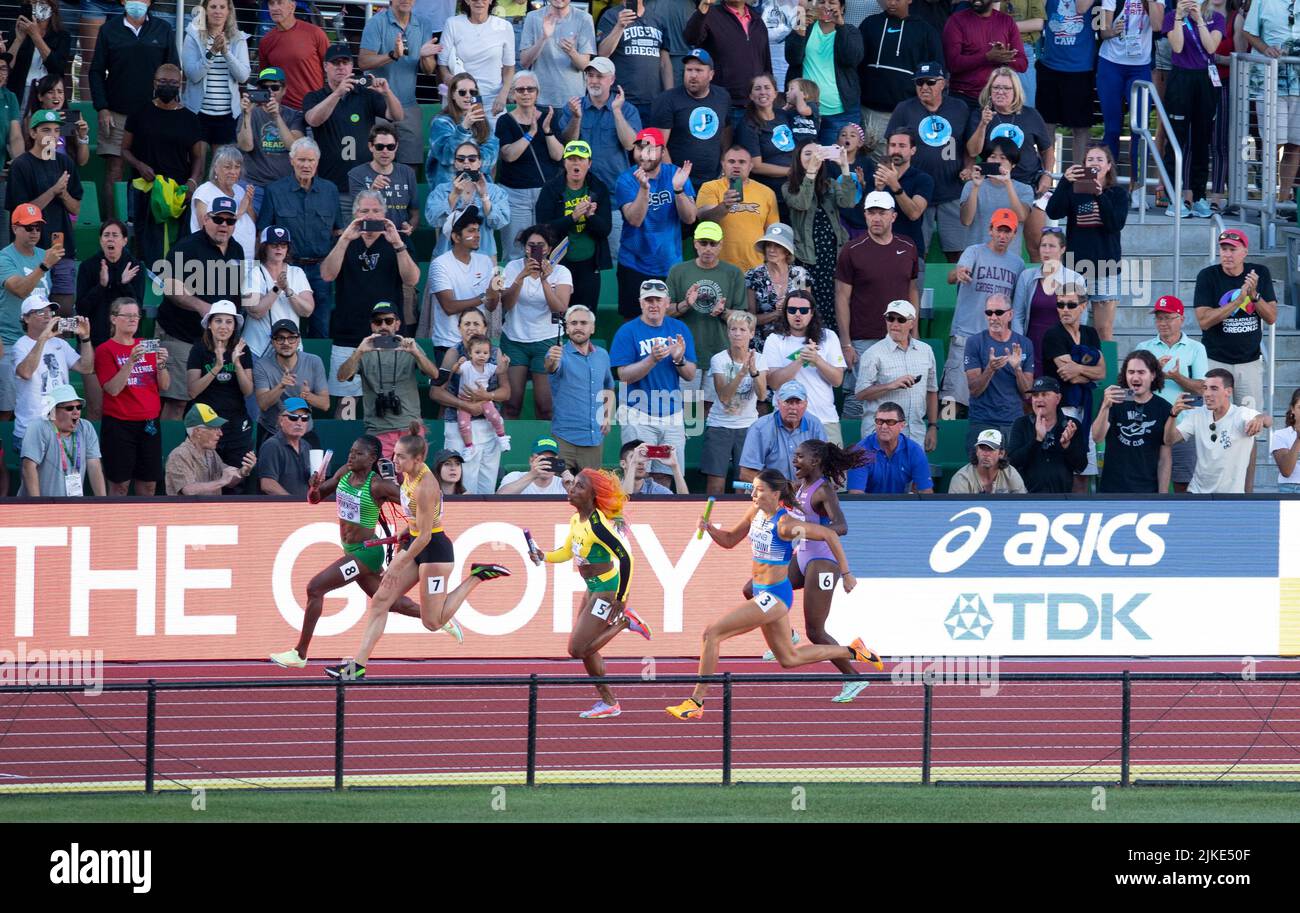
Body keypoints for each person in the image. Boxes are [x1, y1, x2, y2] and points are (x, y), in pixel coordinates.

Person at [668, 469, 880, 720]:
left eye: (759, 490)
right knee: (789, 658)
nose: (753, 494)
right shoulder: (755, 513)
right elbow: (729, 540)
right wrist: (710, 528)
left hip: (775, 597)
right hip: (762, 593)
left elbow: (830, 534)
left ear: (775, 493)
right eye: (752, 489)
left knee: (711, 633)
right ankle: (853, 651)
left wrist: (846, 573)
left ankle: (696, 701)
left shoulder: (786, 524)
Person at [325, 425, 512, 681]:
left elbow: (426, 535)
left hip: (433, 551)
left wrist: (398, 563)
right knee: (381, 601)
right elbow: (417, 523)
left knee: (432, 622)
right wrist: (406, 530)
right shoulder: (407, 477)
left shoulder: (426, 486)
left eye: (401, 457)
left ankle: (476, 576)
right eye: (395, 455)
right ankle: (357, 666)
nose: (394, 460)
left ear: (418, 460)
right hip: (414, 541)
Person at [270, 435, 424, 669]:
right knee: (388, 602)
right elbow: (314, 499)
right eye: (351, 451)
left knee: (315, 587)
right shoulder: (343, 472)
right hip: (351, 548)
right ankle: (439, 617)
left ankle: (300, 653)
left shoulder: (378, 485)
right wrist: (313, 487)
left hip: (367, 553)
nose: (351, 456)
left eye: (358, 453)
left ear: (372, 458)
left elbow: (417, 505)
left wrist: (409, 530)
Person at [528, 468, 651, 719]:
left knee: (577, 649)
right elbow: (565, 552)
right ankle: (609, 702)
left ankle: (626, 621)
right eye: (573, 484)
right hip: (593, 587)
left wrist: (620, 597)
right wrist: (544, 556)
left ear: (592, 496)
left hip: (607, 591)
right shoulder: (577, 521)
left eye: (580, 487)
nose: (572, 489)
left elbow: (626, 558)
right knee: (588, 648)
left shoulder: (598, 525)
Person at [780, 439, 871, 700]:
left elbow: (841, 526)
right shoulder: (801, 486)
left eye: (799, 457)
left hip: (822, 562)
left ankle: (853, 677)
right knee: (755, 590)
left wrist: (814, 532)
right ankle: (788, 634)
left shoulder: (823, 489)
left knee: (816, 631)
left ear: (815, 461)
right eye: (794, 456)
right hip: (803, 556)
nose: (794, 460)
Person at [324, 193, 420, 404]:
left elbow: (412, 279)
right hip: (348, 336)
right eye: (364, 211)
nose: (371, 216)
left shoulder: (399, 240)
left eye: (376, 211)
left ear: (385, 214)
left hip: (388, 334)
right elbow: (327, 275)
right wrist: (345, 239)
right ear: (355, 215)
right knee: (346, 403)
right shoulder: (344, 240)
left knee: (389, 402)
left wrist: (397, 244)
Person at [88, 0, 179, 224]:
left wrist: (169, 108)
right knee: (114, 170)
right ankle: (113, 225)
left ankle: (150, 224)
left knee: (152, 170)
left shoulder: (163, 28)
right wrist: (102, 108)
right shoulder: (108, 30)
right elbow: (96, 71)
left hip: (153, 115)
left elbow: (173, 70)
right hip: (116, 113)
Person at [155, 195, 245, 422]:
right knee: (178, 402)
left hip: (212, 342)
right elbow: (170, 286)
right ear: (206, 219)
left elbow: (235, 296)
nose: (224, 225)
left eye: (230, 221)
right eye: (218, 219)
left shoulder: (237, 250)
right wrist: (201, 306)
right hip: (180, 335)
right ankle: (166, 454)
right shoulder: (186, 247)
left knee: (209, 402)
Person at [835, 191, 921, 417]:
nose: (876, 218)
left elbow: (912, 290)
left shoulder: (908, 246)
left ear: (893, 216)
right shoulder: (851, 250)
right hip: (863, 339)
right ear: (864, 216)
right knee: (857, 399)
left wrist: (915, 333)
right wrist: (846, 343)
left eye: (881, 213)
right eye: (871, 213)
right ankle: (850, 452)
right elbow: (842, 297)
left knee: (901, 396)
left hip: (901, 336)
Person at [610, 278, 698, 478]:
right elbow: (623, 376)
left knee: (667, 476)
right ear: (641, 303)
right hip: (637, 413)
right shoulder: (627, 331)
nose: (654, 305)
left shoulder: (680, 329)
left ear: (667, 302)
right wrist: (651, 360)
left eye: (658, 300)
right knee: (639, 475)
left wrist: (679, 359)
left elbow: (690, 374)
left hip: (672, 414)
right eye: (648, 300)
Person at [941, 208, 1026, 413]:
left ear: (1014, 234)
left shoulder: (1018, 264)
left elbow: (1017, 304)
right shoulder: (973, 251)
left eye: (1008, 231)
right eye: (999, 230)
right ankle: (945, 436)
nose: (1003, 235)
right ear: (990, 229)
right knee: (952, 400)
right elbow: (952, 277)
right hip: (966, 334)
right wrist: (959, 273)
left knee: (987, 401)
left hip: (997, 341)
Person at [885, 62, 974, 258]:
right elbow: (891, 146)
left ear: (943, 83)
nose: (924, 87)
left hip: (952, 190)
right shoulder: (904, 109)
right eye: (919, 83)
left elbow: (968, 147)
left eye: (930, 82)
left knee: (959, 255)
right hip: (914, 192)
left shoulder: (959, 107)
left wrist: (968, 166)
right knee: (914, 253)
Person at [256, 138, 341, 340]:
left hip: (320, 270)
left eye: (311, 160)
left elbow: (338, 231)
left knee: (321, 325)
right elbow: (262, 234)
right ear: (291, 160)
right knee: (282, 324)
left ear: (317, 162)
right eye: (301, 160)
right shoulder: (274, 191)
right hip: (285, 269)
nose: (306, 165)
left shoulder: (330, 190)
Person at [121, 63, 204, 269]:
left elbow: (198, 157)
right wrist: (139, 165)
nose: (168, 86)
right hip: (145, 189)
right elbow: (124, 150)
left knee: (178, 243)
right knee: (147, 244)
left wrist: (192, 184)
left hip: (178, 193)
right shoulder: (139, 113)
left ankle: (175, 288)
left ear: (181, 85)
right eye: (163, 82)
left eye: (173, 83)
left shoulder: (190, 119)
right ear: (154, 83)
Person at [338, 296, 442, 458]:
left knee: (412, 482)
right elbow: (342, 377)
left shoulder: (409, 346)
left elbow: (434, 374)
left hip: (410, 429)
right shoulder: (364, 349)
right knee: (385, 481)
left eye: (388, 321)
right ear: (372, 325)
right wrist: (358, 352)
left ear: (397, 324)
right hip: (378, 431)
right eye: (378, 322)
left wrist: (415, 353)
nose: (383, 326)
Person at [613, 129, 698, 319]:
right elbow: (634, 220)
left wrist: (678, 190)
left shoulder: (676, 174)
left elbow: (690, 218)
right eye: (640, 148)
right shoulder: (626, 180)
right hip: (633, 265)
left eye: (650, 149)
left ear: (662, 151)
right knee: (633, 323)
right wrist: (644, 189)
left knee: (669, 322)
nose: (644, 154)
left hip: (670, 265)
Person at [303, 44, 404, 201]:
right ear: (325, 66)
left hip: (368, 182)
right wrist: (337, 93)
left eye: (345, 63)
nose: (341, 67)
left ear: (352, 66)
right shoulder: (314, 97)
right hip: (331, 184)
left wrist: (387, 93)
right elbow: (313, 120)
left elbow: (397, 116)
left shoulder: (366, 94)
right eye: (335, 63)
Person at [5, 109, 82, 316]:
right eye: (46, 130)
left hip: (61, 244)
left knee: (65, 307)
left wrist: (63, 193)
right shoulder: (21, 165)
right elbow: (20, 213)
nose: (52, 135)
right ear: (33, 134)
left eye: (57, 130)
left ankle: (60, 346)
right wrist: (53, 191)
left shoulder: (65, 163)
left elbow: (76, 208)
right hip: (30, 249)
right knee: (33, 308)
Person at [430, 309, 513, 492]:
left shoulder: (495, 352)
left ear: (485, 328)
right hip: (459, 426)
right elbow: (435, 392)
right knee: (464, 486)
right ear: (459, 328)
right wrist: (465, 405)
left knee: (488, 486)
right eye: (467, 324)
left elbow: (506, 392)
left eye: (476, 323)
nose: (471, 328)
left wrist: (486, 397)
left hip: (489, 426)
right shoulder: (453, 353)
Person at [666, 220, 748, 397]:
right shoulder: (678, 271)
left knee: (713, 410)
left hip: (721, 352)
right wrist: (685, 304)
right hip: (686, 353)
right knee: (687, 410)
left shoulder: (733, 273)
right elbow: (665, 312)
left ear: (721, 245)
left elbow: (743, 319)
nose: (708, 248)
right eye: (703, 243)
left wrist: (723, 312)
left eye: (713, 243)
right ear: (695, 243)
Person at [94, 297, 167, 496]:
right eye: (127, 315)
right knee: (119, 485)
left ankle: (144, 525)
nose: (133, 319)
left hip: (149, 423)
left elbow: (164, 385)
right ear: (113, 319)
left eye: (136, 315)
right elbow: (112, 389)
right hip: (119, 424)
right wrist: (131, 362)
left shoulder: (146, 345)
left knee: (149, 484)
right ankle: (117, 526)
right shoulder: (105, 350)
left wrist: (161, 364)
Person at [500, 224, 573, 419]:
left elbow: (560, 308)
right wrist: (521, 277)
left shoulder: (561, 272)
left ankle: (548, 449)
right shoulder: (513, 267)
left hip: (546, 341)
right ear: (524, 247)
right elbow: (507, 304)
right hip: (514, 340)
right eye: (531, 245)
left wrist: (544, 280)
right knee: (511, 404)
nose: (535, 249)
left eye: (540, 245)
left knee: (545, 407)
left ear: (548, 248)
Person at [1158, 0, 1223, 217]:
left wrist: (1200, 21)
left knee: (1202, 141)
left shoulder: (1217, 18)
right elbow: (1177, 46)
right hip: (1181, 79)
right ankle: (1172, 198)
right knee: (1175, 140)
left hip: (1205, 80)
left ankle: (1199, 197)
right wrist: (1178, 16)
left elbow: (1211, 47)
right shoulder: (1171, 17)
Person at [789, 142, 863, 334]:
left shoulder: (829, 183)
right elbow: (802, 203)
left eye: (817, 154)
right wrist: (811, 172)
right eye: (807, 154)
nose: (813, 158)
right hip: (807, 256)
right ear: (797, 158)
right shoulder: (789, 186)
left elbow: (848, 202)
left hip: (832, 254)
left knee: (834, 305)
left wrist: (845, 167)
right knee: (810, 305)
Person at [1096, 0, 1165, 202]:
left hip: (1140, 66)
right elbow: (1103, 31)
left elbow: (1158, 25)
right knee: (1112, 128)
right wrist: (1112, 31)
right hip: (1111, 63)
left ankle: (1137, 188)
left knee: (1140, 130)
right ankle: (1108, 186)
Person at [359, 0, 442, 168]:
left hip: (408, 107)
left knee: (410, 168)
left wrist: (424, 55)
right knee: (377, 167)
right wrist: (393, 55)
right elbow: (364, 62)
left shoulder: (423, 24)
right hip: (378, 106)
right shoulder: (376, 22)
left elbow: (428, 69)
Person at [1135, 294, 1205, 491]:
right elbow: (1132, 386)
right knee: (1147, 479)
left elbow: (1202, 387)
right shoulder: (1143, 348)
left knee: (1184, 482)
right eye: (1159, 318)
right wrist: (1154, 372)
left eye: (1167, 317)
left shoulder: (1196, 348)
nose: (1162, 323)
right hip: (1148, 424)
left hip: (1184, 426)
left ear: (1181, 319)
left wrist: (1177, 377)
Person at [858, 0, 945, 157]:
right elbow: (856, 62)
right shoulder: (870, 24)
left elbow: (937, 73)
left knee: (903, 162)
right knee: (872, 166)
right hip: (869, 112)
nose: (891, 3)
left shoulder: (926, 31)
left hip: (908, 113)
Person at [1040, 280, 1104, 491]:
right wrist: (1088, 372)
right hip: (1061, 411)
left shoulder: (1090, 334)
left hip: (1085, 411)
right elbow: (1069, 376)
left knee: (1083, 474)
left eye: (1070, 305)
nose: (1064, 310)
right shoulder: (1053, 335)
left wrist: (1079, 369)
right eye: (1060, 305)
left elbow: (1102, 372)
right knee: (1063, 472)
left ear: (1083, 305)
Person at [494, 71, 564, 263]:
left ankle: (544, 291)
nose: (526, 93)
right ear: (513, 94)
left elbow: (558, 155)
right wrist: (531, 133)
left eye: (530, 89)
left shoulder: (549, 116)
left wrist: (547, 131)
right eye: (520, 89)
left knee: (547, 250)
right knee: (515, 250)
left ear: (537, 93)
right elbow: (509, 155)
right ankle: (514, 291)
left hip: (545, 193)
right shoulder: (505, 121)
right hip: (515, 195)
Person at [762, 288, 848, 444]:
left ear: (812, 312)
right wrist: (800, 359)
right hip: (786, 421)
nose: (797, 314)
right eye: (792, 310)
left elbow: (837, 380)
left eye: (803, 310)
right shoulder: (774, 339)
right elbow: (773, 383)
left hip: (825, 419)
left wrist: (817, 360)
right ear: (785, 312)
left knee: (832, 468)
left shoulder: (829, 336)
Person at [535, 140, 612, 310]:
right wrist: (573, 217)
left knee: (586, 314)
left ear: (589, 163)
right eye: (571, 159)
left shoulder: (599, 189)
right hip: (559, 262)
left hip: (589, 264)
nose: (576, 163)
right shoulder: (550, 189)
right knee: (558, 316)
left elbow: (605, 229)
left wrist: (591, 216)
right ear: (564, 163)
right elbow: (542, 229)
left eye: (581, 159)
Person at [1164, 368, 1270, 493]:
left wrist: (1260, 418)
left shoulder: (1241, 414)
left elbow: (1268, 421)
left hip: (1230, 496)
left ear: (1228, 391)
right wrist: (1173, 414)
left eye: (1214, 388)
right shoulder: (1197, 414)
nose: (1207, 393)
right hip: (1197, 492)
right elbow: (1169, 440)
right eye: (1205, 388)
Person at [855, 299, 938, 448]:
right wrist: (890, 385)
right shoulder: (873, 353)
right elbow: (860, 393)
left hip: (915, 434)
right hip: (880, 435)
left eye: (901, 319)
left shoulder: (926, 351)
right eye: (890, 318)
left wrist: (933, 426)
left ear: (912, 323)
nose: (894, 324)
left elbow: (932, 391)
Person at [12, 295, 91, 450]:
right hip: (31, 429)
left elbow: (86, 368)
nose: (48, 315)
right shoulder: (20, 345)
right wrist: (43, 338)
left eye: (50, 311)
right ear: (26, 318)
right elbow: (26, 373)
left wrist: (85, 338)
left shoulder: (60, 343)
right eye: (41, 312)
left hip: (61, 426)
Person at [0, 203, 57, 418]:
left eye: (38, 227)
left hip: (39, 344)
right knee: (6, 410)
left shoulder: (44, 254)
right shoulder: (4, 257)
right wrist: (44, 266)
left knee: (42, 408)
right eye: (28, 227)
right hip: (10, 343)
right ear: (15, 228)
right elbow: (20, 290)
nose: (34, 232)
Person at [702, 310, 768, 494]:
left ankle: (742, 520)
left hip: (748, 427)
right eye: (733, 329)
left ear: (751, 333)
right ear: (728, 333)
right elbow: (723, 396)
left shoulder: (760, 360)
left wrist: (753, 371)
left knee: (744, 483)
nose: (737, 333)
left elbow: (762, 395)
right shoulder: (718, 359)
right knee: (716, 483)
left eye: (742, 329)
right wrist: (741, 373)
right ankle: (710, 520)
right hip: (719, 425)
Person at [648, 48, 732, 189]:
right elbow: (659, 145)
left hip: (714, 178)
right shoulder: (667, 100)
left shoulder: (722, 96)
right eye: (689, 70)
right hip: (680, 180)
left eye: (698, 71)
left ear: (711, 74)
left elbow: (727, 129)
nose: (693, 75)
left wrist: (725, 159)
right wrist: (675, 179)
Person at [186, 299, 255, 471]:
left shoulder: (243, 350)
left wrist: (237, 363)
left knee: (236, 477)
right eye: (218, 321)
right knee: (205, 476)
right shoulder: (199, 349)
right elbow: (192, 391)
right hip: (205, 424)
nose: (223, 326)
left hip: (236, 422)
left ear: (234, 326)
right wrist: (217, 367)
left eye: (228, 322)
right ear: (209, 324)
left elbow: (248, 391)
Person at [1091, 349, 1173, 493]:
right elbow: (1097, 437)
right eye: (1131, 372)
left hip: (1147, 491)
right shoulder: (1114, 400)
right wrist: (1105, 406)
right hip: (1113, 489)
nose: (1135, 377)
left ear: (1153, 375)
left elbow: (1164, 458)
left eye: (1141, 372)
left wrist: (1163, 495)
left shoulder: (1164, 408)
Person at [544, 304, 615, 469]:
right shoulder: (557, 353)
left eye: (583, 323)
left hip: (594, 439)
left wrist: (606, 416)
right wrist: (551, 359)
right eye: (573, 323)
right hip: (564, 438)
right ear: (566, 329)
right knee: (559, 490)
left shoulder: (603, 355)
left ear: (593, 328)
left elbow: (608, 387)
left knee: (591, 492)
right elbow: (551, 366)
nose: (578, 327)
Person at [1243, 0, 1300, 205]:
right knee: (1272, 143)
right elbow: (1248, 31)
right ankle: (1267, 202)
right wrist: (1265, 49)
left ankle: (1283, 201)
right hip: (1269, 81)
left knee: (1295, 144)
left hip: (1298, 84)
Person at [425, 205, 501, 358]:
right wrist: (483, 297)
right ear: (456, 237)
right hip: (448, 343)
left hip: (478, 346)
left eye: (478, 230)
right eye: (471, 231)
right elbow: (449, 307)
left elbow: (491, 307)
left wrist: (495, 292)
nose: (478, 235)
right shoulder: (440, 264)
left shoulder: (485, 261)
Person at [785, 0, 865, 144]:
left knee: (836, 160)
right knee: (804, 159)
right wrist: (800, 29)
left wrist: (841, 25)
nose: (826, 6)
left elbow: (851, 59)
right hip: (804, 110)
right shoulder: (805, 28)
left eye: (832, 2)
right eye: (821, 2)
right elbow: (793, 59)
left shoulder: (851, 31)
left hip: (841, 114)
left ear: (842, 7)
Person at [1010, 226, 1086, 374]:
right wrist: (1020, 345)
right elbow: (1018, 315)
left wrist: (1074, 350)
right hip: (1031, 346)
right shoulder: (1027, 276)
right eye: (1043, 246)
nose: (1046, 250)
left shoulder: (1076, 279)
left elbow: (1081, 320)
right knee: (1030, 393)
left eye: (1051, 246)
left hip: (1063, 349)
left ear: (1062, 249)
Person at [962, 292, 1033, 451]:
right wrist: (990, 369)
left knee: (1012, 473)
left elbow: (1028, 393)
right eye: (989, 312)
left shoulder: (1025, 344)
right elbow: (974, 389)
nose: (993, 317)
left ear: (1010, 314)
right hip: (982, 421)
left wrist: (1018, 369)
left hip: (1013, 422)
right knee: (980, 473)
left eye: (998, 312)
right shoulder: (974, 342)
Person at [695, 145, 779, 272]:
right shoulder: (710, 187)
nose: (736, 166)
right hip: (717, 267)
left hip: (755, 267)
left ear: (750, 166)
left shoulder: (767, 192)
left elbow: (772, 233)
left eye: (742, 162)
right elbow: (705, 220)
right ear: (723, 164)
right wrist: (725, 205)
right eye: (731, 161)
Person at [425, 140, 512, 260]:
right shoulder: (441, 190)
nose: (466, 162)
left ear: (479, 163)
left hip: (483, 255)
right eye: (461, 159)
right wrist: (454, 194)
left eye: (472, 159)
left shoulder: (495, 191)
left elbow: (499, 223)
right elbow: (433, 220)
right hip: (448, 254)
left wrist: (484, 197)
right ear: (455, 163)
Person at [1037, 0, 1099, 169]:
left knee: (1080, 127)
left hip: (1080, 67)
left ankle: (1079, 178)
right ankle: (1045, 175)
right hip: (1050, 64)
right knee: (1047, 124)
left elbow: (1082, 8)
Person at [181, 0, 251, 148]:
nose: (217, 11)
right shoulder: (192, 36)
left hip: (228, 115)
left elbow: (243, 76)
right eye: (213, 7)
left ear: (228, 11)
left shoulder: (238, 38)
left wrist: (226, 53)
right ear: (204, 11)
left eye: (222, 7)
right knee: (197, 166)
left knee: (222, 167)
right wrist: (212, 52)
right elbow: (192, 75)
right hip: (197, 112)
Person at [18, 382, 105, 496]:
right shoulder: (38, 427)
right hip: (42, 506)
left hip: (72, 507)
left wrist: (103, 501)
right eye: (69, 408)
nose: (76, 412)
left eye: (78, 407)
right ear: (53, 411)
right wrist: (38, 505)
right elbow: (28, 467)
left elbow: (94, 465)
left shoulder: (86, 427)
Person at [236, 67, 305, 210]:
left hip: (285, 187)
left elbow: (294, 147)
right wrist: (247, 115)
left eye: (275, 87)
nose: (270, 92)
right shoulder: (249, 113)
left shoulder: (294, 115)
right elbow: (246, 146)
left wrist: (277, 117)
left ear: (284, 90)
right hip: (254, 186)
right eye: (264, 87)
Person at [437, 0, 517, 120]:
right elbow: (442, 64)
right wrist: (449, 79)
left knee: (495, 138)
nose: (479, 2)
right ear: (467, 1)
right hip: (462, 99)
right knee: (462, 137)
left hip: (493, 100)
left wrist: (503, 94)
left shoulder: (505, 26)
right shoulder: (453, 23)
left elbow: (509, 67)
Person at [252, 317, 328, 443]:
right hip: (272, 431)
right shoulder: (262, 365)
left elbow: (325, 404)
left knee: (316, 462)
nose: (286, 343)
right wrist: (281, 386)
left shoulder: (314, 361)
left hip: (304, 430)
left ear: (298, 340)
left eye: (291, 338)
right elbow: (263, 404)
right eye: (280, 338)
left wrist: (308, 396)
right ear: (272, 341)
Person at [243, 227, 315, 359]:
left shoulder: (297, 272)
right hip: (256, 349)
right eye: (274, 244)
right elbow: (254, 311)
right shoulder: (252, 272)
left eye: (283, 245)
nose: (279, 249)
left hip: (290, 349)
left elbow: (308, 310)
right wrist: (277, 288)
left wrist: (289, 291)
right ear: (264, 247)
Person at [596, 0, 673, 124]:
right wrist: (619, 26)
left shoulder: (658, 19)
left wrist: (669, 95)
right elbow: (603, 54)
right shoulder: (611, 16)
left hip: (652, 100)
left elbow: (665, 62)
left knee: (648, 143)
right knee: (621, 141)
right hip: (621, 98)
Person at [1007, 375, 1086, 492]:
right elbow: (1012, 462)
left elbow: (1081, 466)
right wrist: (1037, 440)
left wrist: (1067, 446)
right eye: (1035, 395)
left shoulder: (1071, 425)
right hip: (1027, 498)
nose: (1039, 399)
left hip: (1062, 499)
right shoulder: (1021, 424)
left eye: (1044, 394)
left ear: (1058, 398)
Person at [75, 220, 145, 351]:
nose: (110, 239)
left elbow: (138, 309)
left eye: (115, 235)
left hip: (126, 342)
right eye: (106, 235)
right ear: (100, 240)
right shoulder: (88, 266)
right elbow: (81, 308)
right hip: (95, 341)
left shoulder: (135, 267)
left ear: (125, 240)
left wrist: (124, 284)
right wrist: (101, 286)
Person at [942, 0, 1027, 107]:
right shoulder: (956, 21)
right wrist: (987, 57)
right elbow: (952, 64)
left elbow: (1023, 64)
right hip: (964, 98)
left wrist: (1005, 58)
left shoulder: (1007, 21)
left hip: (998, 97)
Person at [739, 379, 828, 480]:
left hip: (804, 490)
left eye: (798, 402)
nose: (793, 408)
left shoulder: (815, 425)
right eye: (787, 402)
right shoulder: (760, 428)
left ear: (806, 404)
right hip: (770, 491)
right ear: (778, 403)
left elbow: (823, 465)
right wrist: (782, 487)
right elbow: (746, 473)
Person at [427, 72, 501, 189]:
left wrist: (461, 160)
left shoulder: (483, 123)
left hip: (478, 191)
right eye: (462, 92)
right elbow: (446, 157)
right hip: (448, 190)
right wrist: (464, 128)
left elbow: (490, 160)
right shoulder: (440, 122)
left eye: (472, 92)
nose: (468, 96)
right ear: (452, 95)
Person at [164, 402, 257, 495]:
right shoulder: (179, 455)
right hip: (189, 509)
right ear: (198, 432)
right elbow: (188, 490)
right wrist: (221, 482)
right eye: (215, 428)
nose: (220, 433)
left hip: (211, 509)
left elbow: (230, 481)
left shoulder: (211, 453)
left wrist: (242, 472)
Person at [957, 139, 1033, 253]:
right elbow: (966, 220)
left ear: (1013, 164)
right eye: (992, 156)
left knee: (1071, 257)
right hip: (977, 256)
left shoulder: (1024, 189)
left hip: (1009, 258)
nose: (996, 161)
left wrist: (1007, 183)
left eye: (1003, 158)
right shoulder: (971, 185)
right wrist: (976, 187)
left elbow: (1021, 217)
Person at [736, 73, 797, 215]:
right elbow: (756, 167)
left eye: (767, 87)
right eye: (757, 88)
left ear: (775, 93)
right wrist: (792, 171)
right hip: (772, 192)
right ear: (751, 96)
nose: (763, 92)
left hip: (794, 188)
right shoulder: (747, 125)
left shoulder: (783, 115)